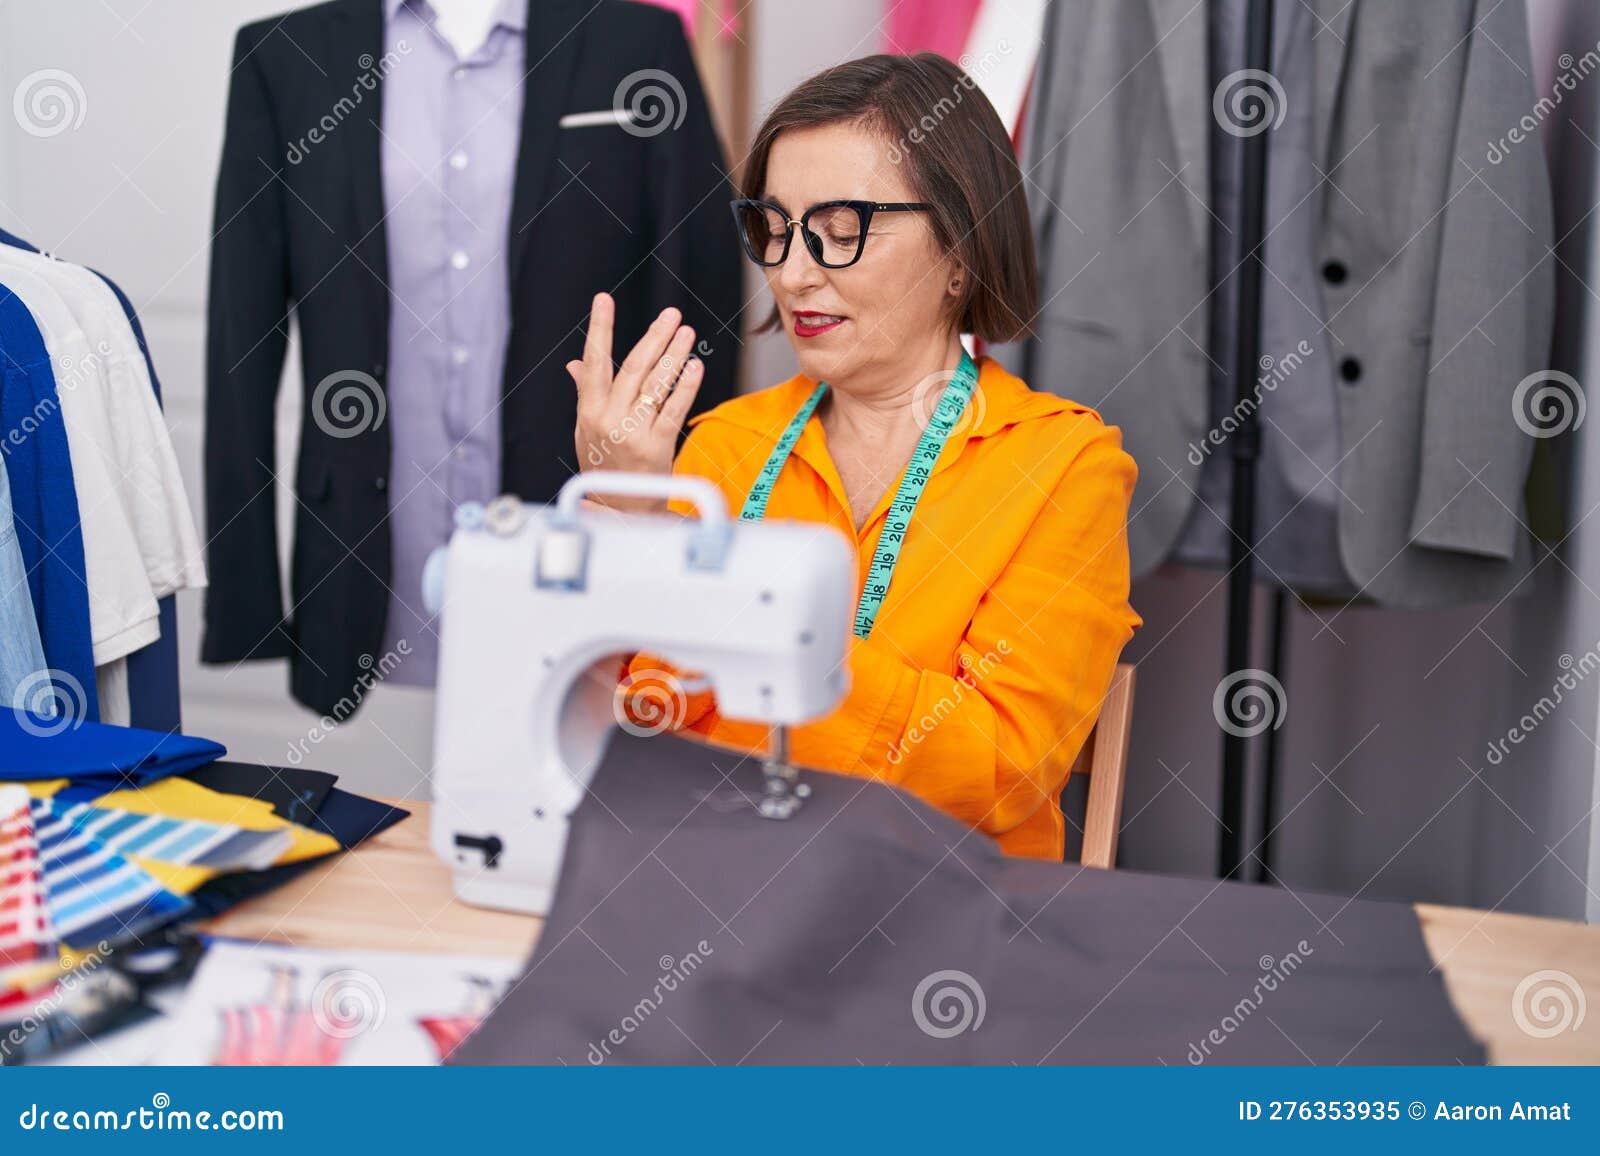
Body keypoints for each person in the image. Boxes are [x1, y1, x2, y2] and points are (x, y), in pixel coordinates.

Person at [566, 53, 1142, 861]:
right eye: (775, 229)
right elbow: (634, 732)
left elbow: (1003, 768)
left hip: (940, 927)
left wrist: (735, 602)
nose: (792, 274)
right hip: (711, 886)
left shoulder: (1063, 466)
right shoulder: (724, 445)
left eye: (840, 233)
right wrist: (626, 527)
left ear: (960, 253)